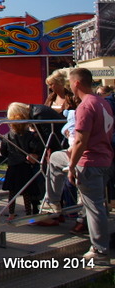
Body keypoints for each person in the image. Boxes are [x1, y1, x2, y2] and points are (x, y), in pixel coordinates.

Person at [44, 68, 114, 265]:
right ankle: (53, 201)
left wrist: (72, 166)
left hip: (89, 160)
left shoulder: (85, 106)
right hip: (104, 159)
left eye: (70, 84)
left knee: (94, 208)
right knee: (97, 205)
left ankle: (100, 251)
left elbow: (80, 141)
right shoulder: (103, 103)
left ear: (76, 84)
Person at [0, 102, 43, 220]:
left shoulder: (7, 136)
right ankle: (29, 214)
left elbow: (3, 152)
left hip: (12, 166)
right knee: (27, 192)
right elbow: (35, 148)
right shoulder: (30, 135)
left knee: (12, 192)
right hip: (25, 166)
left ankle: (11, 213)